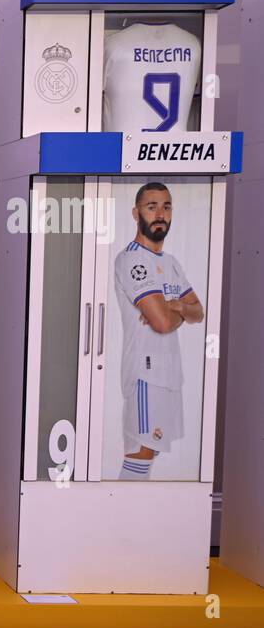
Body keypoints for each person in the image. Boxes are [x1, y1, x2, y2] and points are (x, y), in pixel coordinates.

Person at [113, 182, 202, 479]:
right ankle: (119, 519)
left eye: (166, 206)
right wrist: (177, 311)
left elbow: (198, 312)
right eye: (152, 207)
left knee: (150, 458)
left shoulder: (171, 263)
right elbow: (162, 323)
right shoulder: (133, 260)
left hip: (169, 375)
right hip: (145, 376)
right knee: (141, 453)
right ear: (136, 213)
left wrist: (174, 306)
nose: (160, 214)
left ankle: (132, 520)